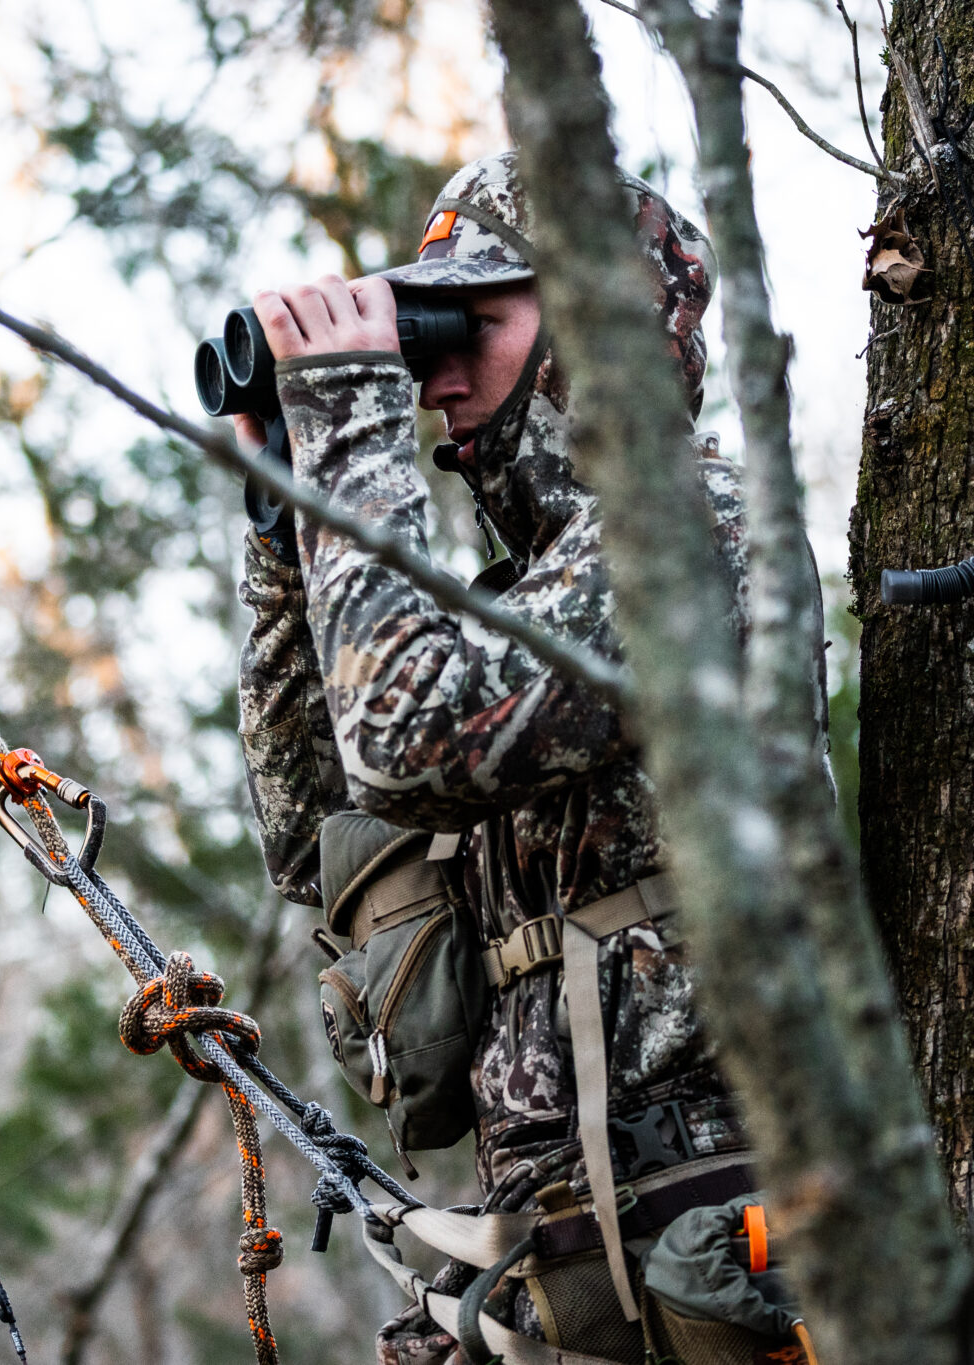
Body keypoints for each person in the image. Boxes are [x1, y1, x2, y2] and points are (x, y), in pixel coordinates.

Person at [232, 151, 821, 1363]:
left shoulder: (690, 530)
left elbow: (408, 744)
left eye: (469, 321)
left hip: (712, 1252)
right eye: (418, 331)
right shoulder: (519, 609)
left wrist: (350, 421)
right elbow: (313, 833)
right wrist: (293, 530)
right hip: (558, 1273)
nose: (430, 371)